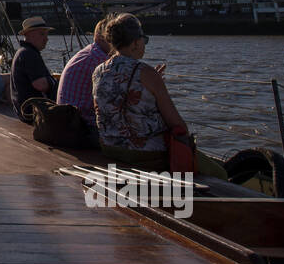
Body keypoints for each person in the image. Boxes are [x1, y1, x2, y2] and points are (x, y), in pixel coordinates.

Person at [91, 13, 226, 177]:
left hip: (109, 148)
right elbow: (177, 124)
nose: (144, 45)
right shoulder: (145, 72)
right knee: (220, 174)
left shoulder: (98, 71)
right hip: (145, 154)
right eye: (144, 40)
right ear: (134, 43)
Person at [56, 15, 119, 142]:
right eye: (112, 37)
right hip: (82, 128)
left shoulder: (89, 53)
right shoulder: (100, 60)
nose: (116, 42)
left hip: (67, 123)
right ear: (101, 37)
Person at [8, 16, 56, 116]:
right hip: (33, 113)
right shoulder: (29, 54)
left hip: (24, 110)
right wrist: (54, 82)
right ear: (29, 34)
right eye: (42, 34)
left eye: (46, 34)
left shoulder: (22, 52)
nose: (46, 39)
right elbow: (41, 85)